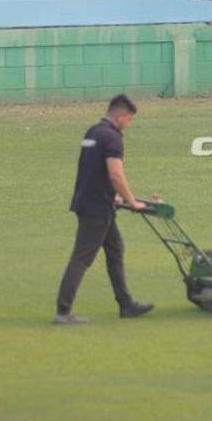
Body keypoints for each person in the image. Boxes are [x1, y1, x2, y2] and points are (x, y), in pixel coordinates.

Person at [54, 94, 154, 324]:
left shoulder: (93, 132)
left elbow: (93, 171)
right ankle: (63, 312)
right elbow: (115, 174)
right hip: (96, 209)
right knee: (82, 258)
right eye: (129, 119)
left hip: (90, 201)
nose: (129, 124)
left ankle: (126, 304)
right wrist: (131, 201)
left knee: (115, 249)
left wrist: (114, 197)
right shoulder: (113, 138)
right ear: (120, 116)